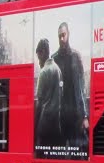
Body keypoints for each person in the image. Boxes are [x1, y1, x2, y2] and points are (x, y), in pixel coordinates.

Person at [51, 21, 89, 150]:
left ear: (68, 34)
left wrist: (84, 116)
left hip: (75, 115)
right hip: (60, 116)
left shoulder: (76, 56)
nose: (62, 39)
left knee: (77, 152)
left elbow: (81, 88)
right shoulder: (54, 59)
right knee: (58, 152)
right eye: (59, 36)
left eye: (63, 35)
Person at [34, 38, 63, 149]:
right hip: (57, 124)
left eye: (39, 57)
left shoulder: (44, 72)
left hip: (45, 124)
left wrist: (35, 125)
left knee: (40, 155)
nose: (39, 61)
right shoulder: (58, 69)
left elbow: (39, 103)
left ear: (43, 52)